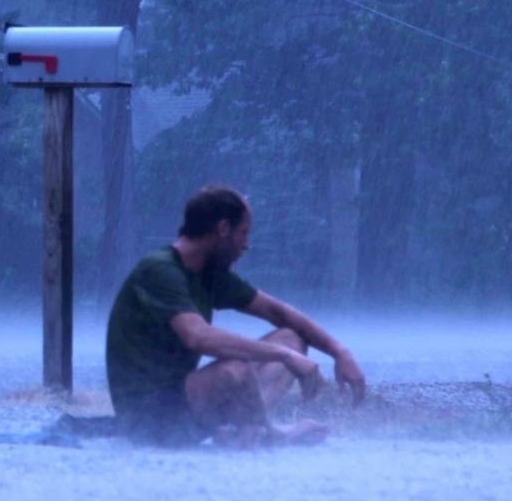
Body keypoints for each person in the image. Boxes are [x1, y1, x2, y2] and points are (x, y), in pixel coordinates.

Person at [104, 184, 367, 447]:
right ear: (222, 230)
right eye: (243, 233)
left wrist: (339, 352)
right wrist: (284, 356)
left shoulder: (208, 274)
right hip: (146, 420)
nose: (246, 245)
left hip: (187, 404)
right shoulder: (159, 270)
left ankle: (246, 427)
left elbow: (278, 312)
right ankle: (270, 432)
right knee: (236, 369)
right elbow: (197, 337)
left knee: (291, 337)